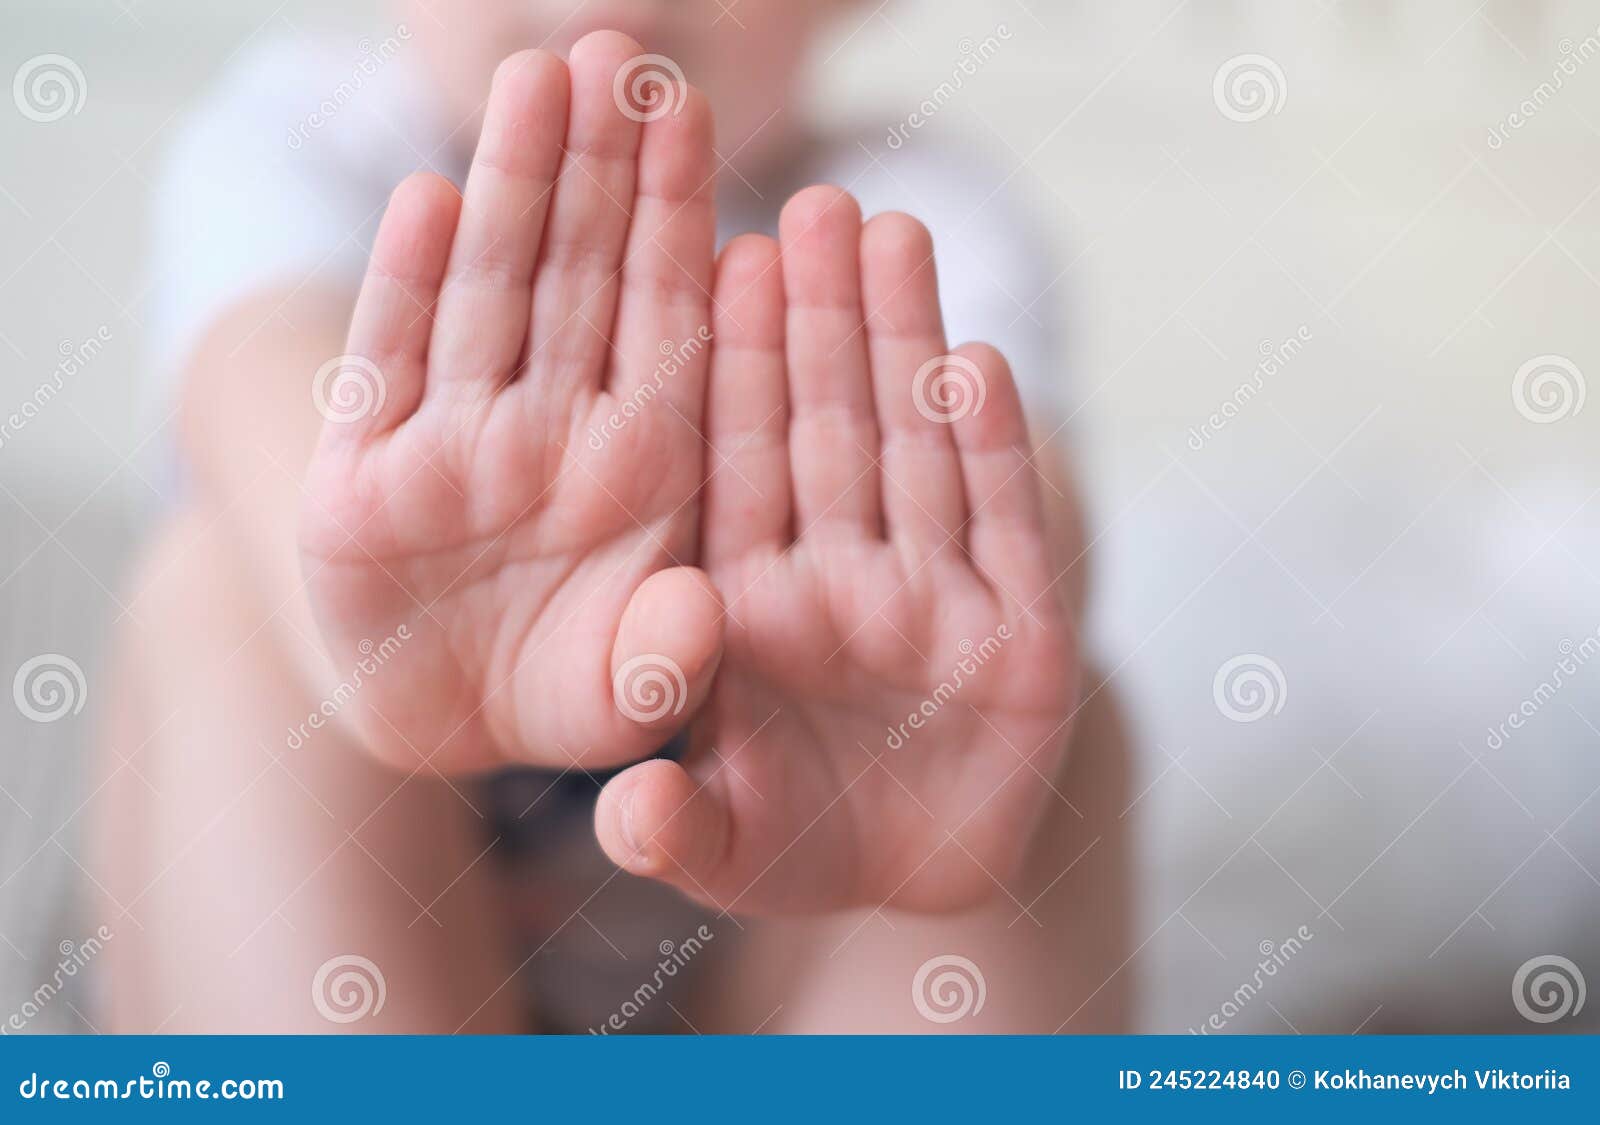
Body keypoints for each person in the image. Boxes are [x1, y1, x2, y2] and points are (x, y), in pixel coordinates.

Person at [96, 0, 1130, 1033]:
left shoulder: (921, 199)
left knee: (1041, 705)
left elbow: (1015, 494)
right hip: (327, 972)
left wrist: (933, 668)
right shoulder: (313, 127)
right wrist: (376, 626)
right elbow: (251, 371)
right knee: (220, 591)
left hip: (751, 985)